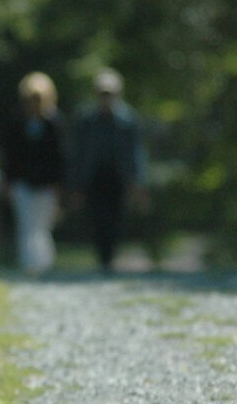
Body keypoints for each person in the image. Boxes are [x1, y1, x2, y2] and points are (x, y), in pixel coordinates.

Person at [69, 68, 148, 271]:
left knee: (115, 218)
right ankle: (103, 258)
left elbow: (135, 152)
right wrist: (76, 184)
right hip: (95, 177)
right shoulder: (86, 120)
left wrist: (137, 182)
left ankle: (110, 257)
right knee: (98, 218)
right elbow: (79, 154)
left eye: (110, 93)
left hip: (118, 177)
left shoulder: (128, 120)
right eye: (102, 93)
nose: (106, 98)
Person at [1, 71, 66, 275]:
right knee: (26, 225)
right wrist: (8, 182)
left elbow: (59, 157)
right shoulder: (16, 123)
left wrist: (59, 184)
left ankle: (44, 264)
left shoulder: (54, 124)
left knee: (43, 225)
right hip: (22, 183)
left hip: (47, 184)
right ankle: (29, 265)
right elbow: (9, 156)